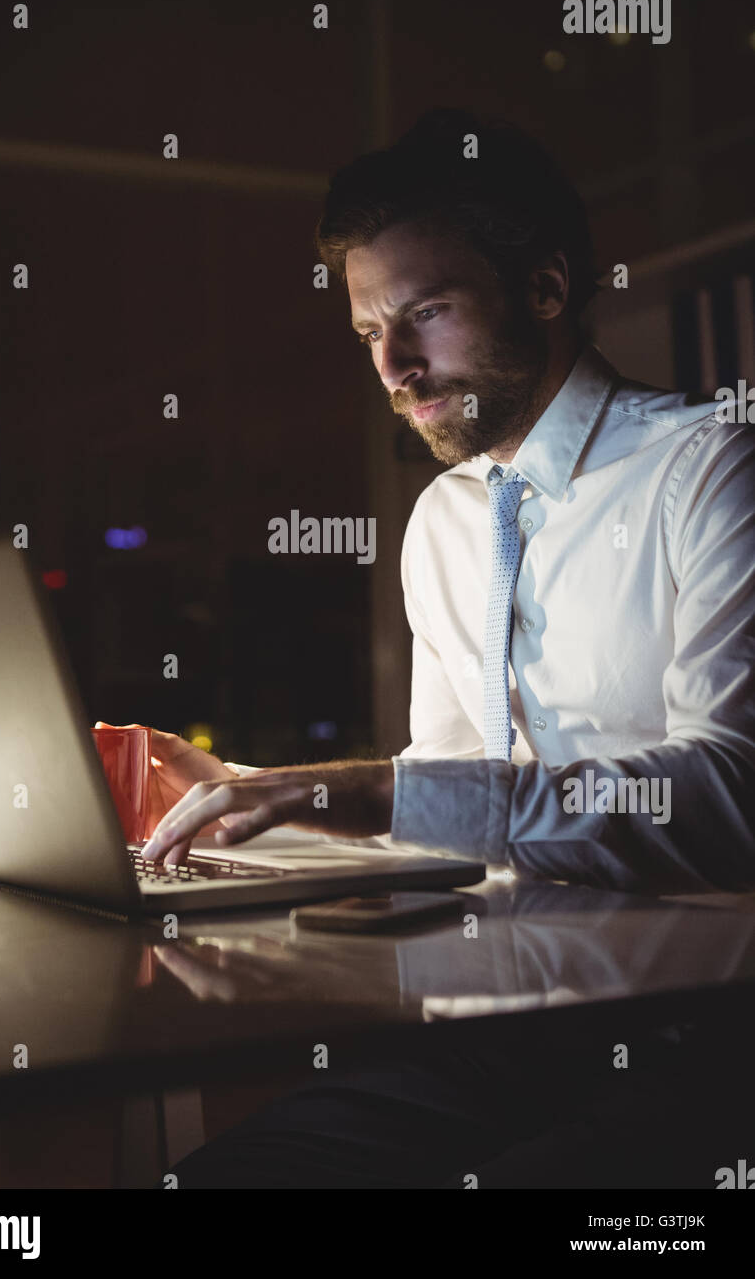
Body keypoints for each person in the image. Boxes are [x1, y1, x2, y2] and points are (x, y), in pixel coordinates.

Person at [102, 108, 755, 1186]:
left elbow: (732, 802)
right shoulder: (446, 519)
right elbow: (445, 807)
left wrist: (365, 793)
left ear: (544, 289)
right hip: (505, 1024)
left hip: (707, 1037)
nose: (396, 366)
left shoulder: (710, 474)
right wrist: (260, 794)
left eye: (428, 313)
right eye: (368, 332)